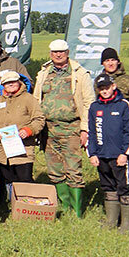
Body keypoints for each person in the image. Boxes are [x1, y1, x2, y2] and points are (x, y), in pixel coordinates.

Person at [33, 39, 95, 217]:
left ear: (67, 52)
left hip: (71, 128)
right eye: (54, 52)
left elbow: (88, 102)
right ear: (50, 54)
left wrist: (85, 129)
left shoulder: (80, 73)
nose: (58, 55)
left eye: (61, 52)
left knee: (73, 169)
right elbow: (37, 98)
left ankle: (77, 212)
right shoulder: (44, 72)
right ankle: (65, 205)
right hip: (49, 129)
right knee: (55, 170)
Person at [0, 71, 46, 198]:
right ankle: (12, 203)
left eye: (13, 81)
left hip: (23, 149)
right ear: (3, 85)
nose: (10, 84)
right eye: (7, 83)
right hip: (2, 151)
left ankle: (27, 206)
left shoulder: (28, 99)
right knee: (8, 179)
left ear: (19, 82)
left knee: (24, 179)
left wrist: (29, 130)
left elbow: (39, 119)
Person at [86, 74, 129, 233]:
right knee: (108, 187)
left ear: (113, 86)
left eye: (107, 87)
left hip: (120, 157)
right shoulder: (95, 107)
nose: (104, 91)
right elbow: (91, 132)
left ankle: (127, 224)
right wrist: (92, 154)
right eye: (101, 88)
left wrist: (124, 153)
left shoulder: (123, 105)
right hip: (101, 156)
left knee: (124, 188)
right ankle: (111, 221)